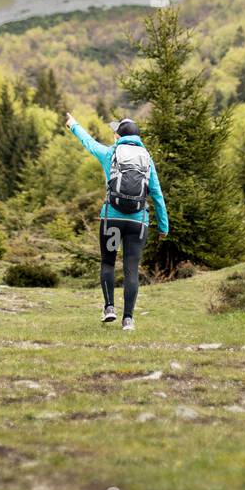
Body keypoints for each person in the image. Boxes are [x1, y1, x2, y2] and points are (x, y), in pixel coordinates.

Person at [65, 112, 168, 330]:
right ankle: (128, 319)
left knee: (108, 262)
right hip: (138, 223)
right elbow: (157, 194)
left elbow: (89, 143)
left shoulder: (111, 153)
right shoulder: (146, 159)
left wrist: (73, 124)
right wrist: (163, 226)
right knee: (131, 268)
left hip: (112, 219)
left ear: (118, 136)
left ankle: (109, 308)